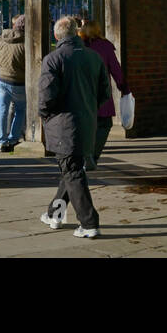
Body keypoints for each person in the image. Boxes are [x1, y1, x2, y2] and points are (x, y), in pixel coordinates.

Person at [38, 16, 111, 238]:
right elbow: (104, 94)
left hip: (63, 125)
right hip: (87, 123)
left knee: (72, 171)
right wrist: (87, 108)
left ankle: (89, 222)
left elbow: (45, 98)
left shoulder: (53, 59)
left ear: (56, 36)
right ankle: (55, 215)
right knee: (71, 169)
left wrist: (46, 116)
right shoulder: (94, 58)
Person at [77, 17, 130, 170]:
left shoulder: (78, 46)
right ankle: (92, 156)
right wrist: (124, 88)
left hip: (81, 93)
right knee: (104, 124)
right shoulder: (105, 47)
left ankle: (84, 155)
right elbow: (116, 70)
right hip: (101, 93)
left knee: (84, 126)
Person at [0, 14, 26, 152]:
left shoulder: (1, 38)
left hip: (3, 80)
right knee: (20, 110)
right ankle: (12, 139)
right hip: (20, 82)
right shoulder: (27, 43)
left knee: (2, 110)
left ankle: (1, 141)